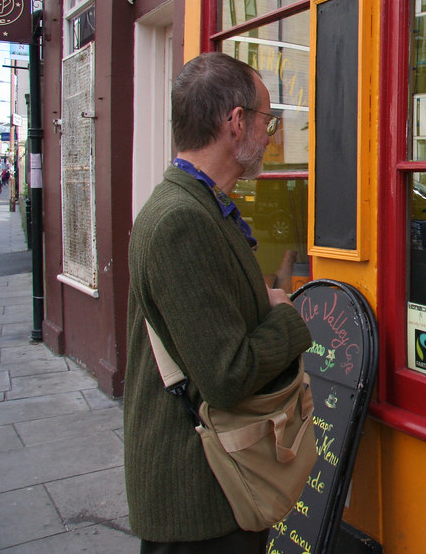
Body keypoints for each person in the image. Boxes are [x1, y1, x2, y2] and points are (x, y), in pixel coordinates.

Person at [124, 52, 312, 553]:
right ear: (236, 122)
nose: (270, 136)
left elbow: (204, 326)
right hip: (199, 495)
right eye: (266, 121)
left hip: (212, 481)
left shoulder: (198, 206)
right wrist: (288, 319)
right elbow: (226, 374)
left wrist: (259, 300)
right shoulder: (181, 222)